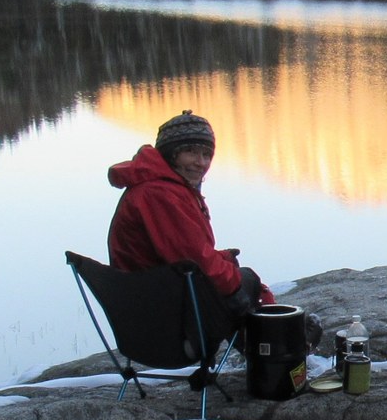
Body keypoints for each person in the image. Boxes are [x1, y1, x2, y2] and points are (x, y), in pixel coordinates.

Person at [106, 110, 273, 327]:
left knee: (237, 277)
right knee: (247, 283)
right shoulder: (160, 194)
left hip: (149, 295)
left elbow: (185, 251)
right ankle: (285, 349)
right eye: (190, 152)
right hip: (161, 312)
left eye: (206, 155)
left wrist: (223, 259)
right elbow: (194, 261)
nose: (201, 163)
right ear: (170, 155)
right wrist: (236, 278)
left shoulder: (164, 187)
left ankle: (282, 347)